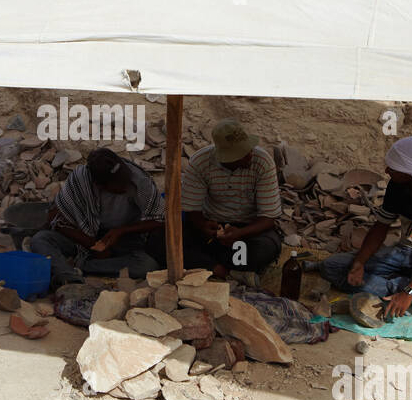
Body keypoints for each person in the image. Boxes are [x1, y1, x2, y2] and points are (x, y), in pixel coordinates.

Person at [319, 135, 412, 323]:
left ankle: (408, 289)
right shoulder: (398, 186)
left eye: (393, 168)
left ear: (410, 172)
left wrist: (410, 291)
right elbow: (380, 228)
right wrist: (359, 263)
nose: (387, 170)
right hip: (403, 251)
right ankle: (397, 289)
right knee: (332, 267)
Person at [30, 147, 164, 286]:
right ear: (100, 186)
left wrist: (120, 231)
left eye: (125, 179)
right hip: (80, 238)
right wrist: (91, 244)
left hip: (120, 240)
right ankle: (71, 278)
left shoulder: (138, 181)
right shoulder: (80, 180)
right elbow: (55, 218)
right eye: (118, 185)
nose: (125, 186)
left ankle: (80, 267)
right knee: (40, 239)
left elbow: (161, 219)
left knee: (147, 266)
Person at [180, 118, 282, 279]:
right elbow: (192, 209)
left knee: (264, 249)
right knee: (162, 240)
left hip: (249, 230)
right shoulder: (200, 162)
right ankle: (223, 269)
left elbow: (269, 218)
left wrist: (241, 233)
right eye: (242, 154)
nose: (250, 155)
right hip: (212, 228)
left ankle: (209, 265)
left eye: (249, 149)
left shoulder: (262, 162)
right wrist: (203, 226)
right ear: (225, 158)